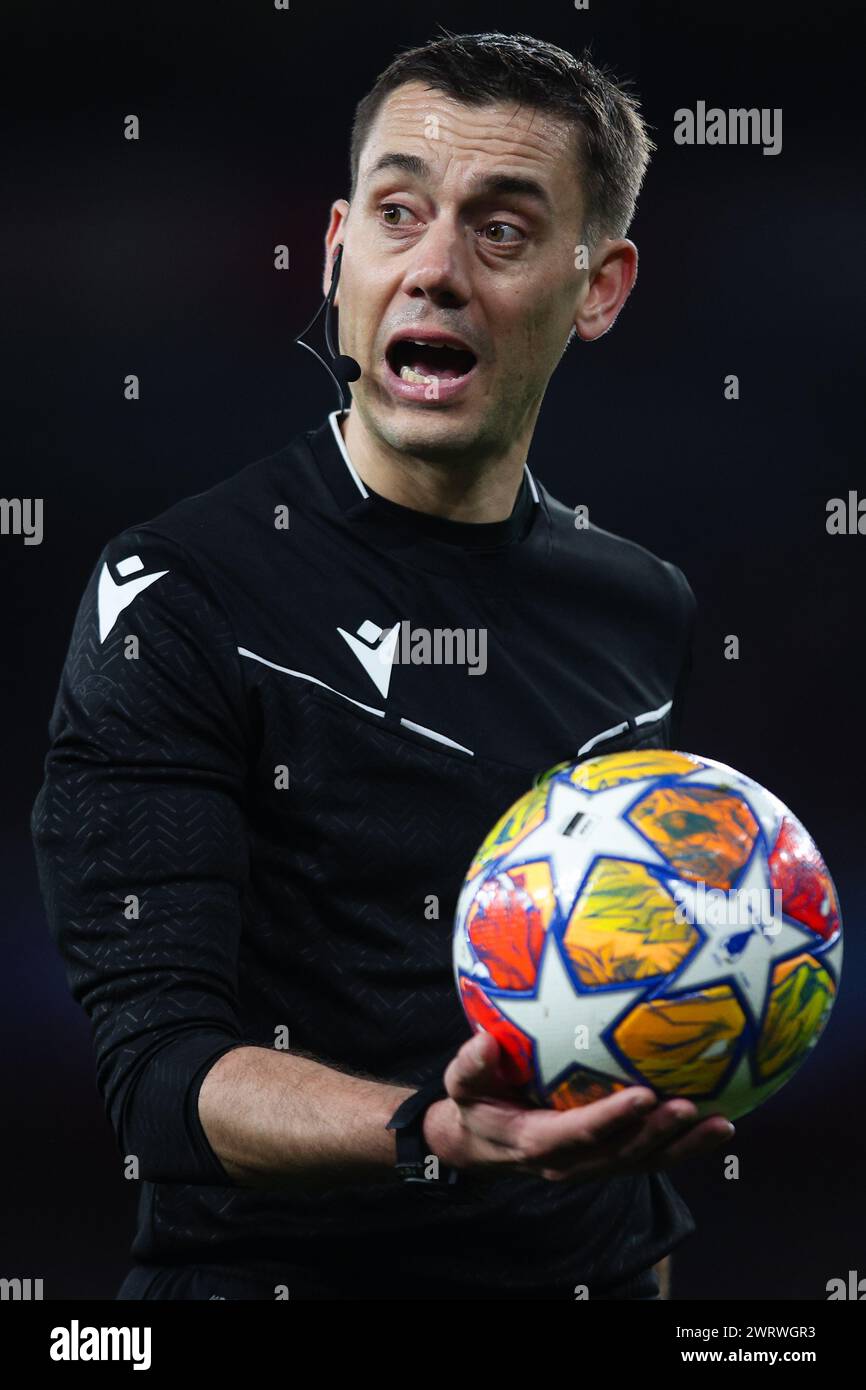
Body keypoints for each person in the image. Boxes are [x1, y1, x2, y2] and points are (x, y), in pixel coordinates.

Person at [31, 31, 732, 1301]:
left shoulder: (642, 605)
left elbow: (620, 1030)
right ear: (338, 244)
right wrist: (433, 1136)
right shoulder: (180, 593)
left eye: (504, 229)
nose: (436, 270)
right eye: (400, 214)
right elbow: (161, 1075)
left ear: (600, 284)